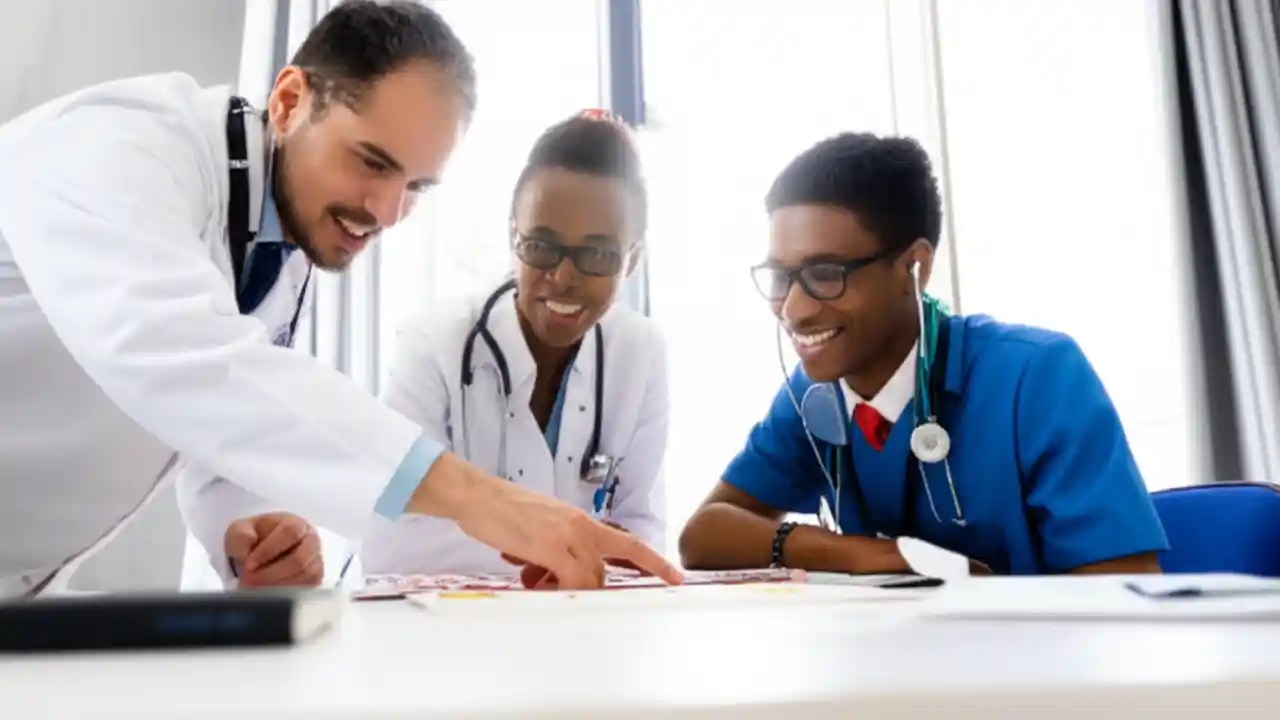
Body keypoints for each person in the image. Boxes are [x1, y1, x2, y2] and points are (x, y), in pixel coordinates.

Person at [0, 0, 678, 597]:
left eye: (417, 187)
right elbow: (183, 360)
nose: (386, 212)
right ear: (290, 100)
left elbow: (219, 434)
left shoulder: (272, 241)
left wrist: (252, 533)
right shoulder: (121, 148)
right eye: (372, 163)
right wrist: (488, 503)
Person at [678, 133, 1168, 576]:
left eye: (827, 273)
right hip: (890, 669)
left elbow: (1123, 589)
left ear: (914, 266)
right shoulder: (814, 396)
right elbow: (703, 535)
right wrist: (865, 554)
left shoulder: (1035, 376)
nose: (795, 309)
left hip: (1033, 668)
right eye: (781, 276)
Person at [363, 111, 668, 576]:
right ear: (513, 237)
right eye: (542, 245)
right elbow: (390, 545)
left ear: (633, 259)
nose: (563, 277)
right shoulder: (433, 343)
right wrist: (562, 547)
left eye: (598, 255)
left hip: (591, 626)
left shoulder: (640, 352)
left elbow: (644, 539)